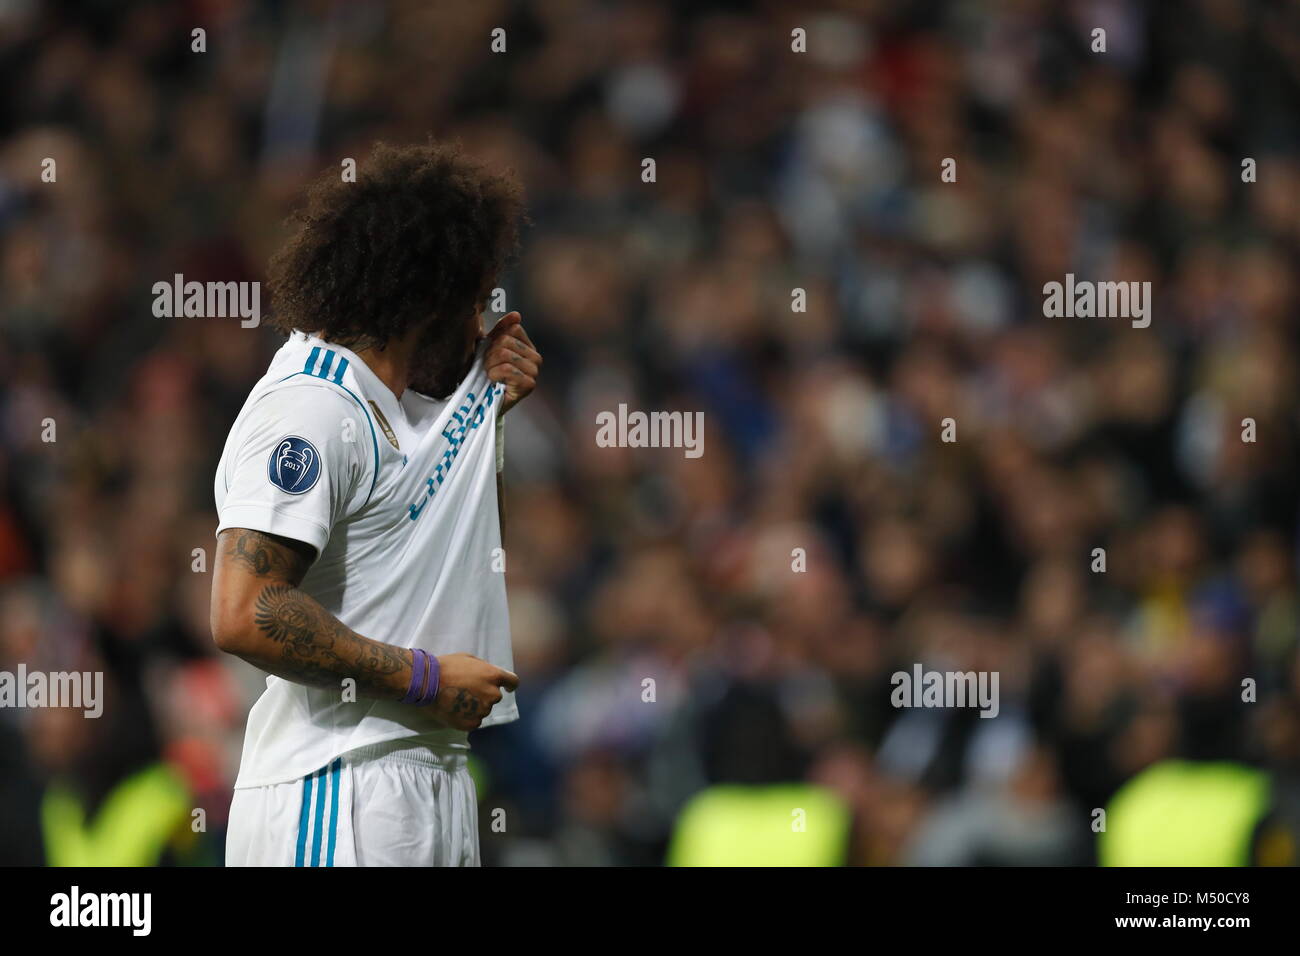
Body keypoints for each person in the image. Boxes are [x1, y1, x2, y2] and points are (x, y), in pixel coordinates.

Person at [210, 141, 540, 866]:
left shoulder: (399, 412)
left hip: (427, 776)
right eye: (476, 299)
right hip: (336, 786)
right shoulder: (312, 409)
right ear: (430, 299)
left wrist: (485, 418)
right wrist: (425, 678)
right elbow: (244, 612)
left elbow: (458, 559)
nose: (481, 323)